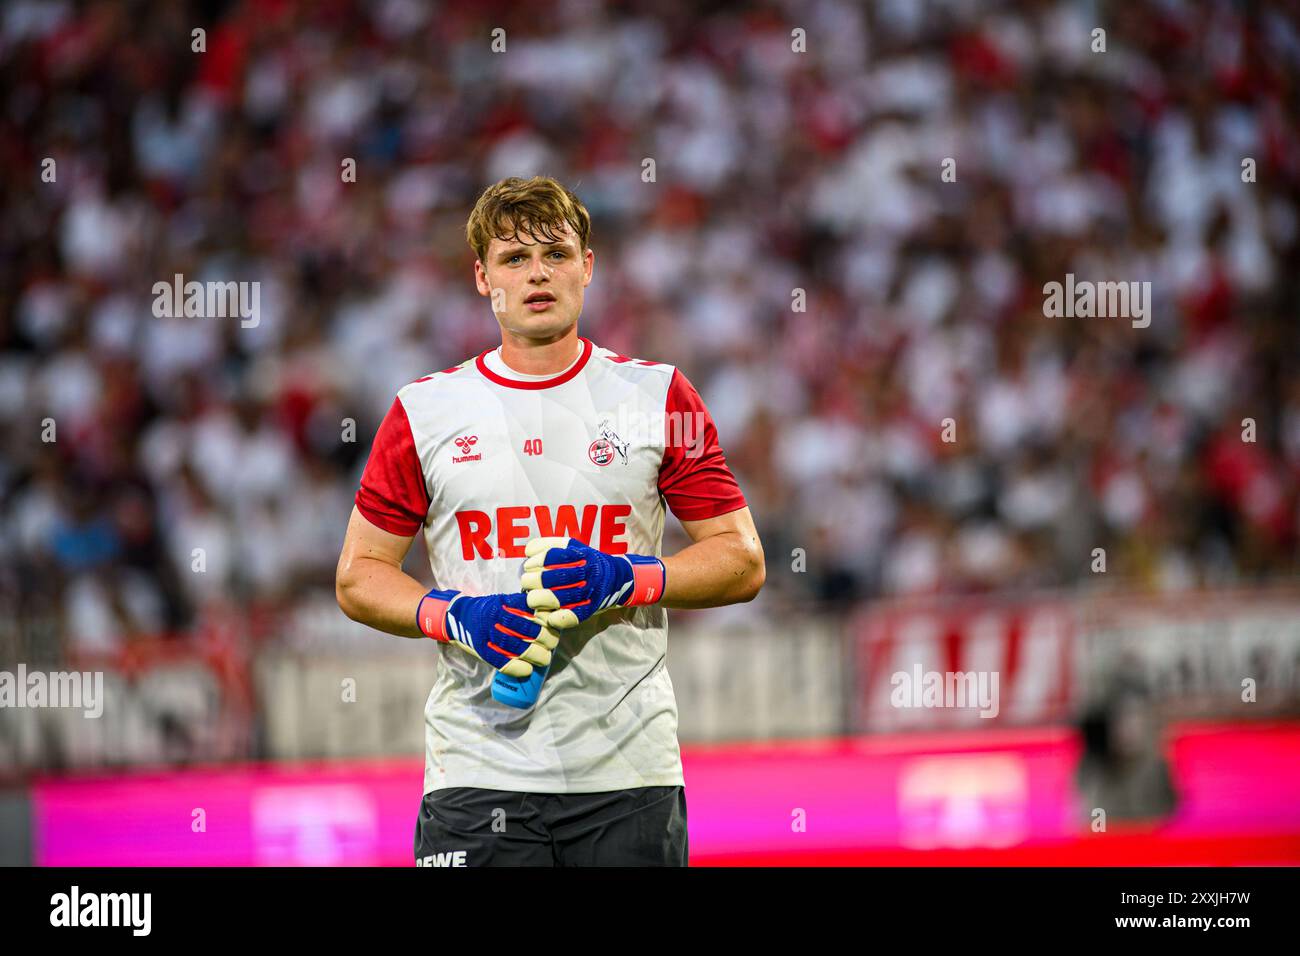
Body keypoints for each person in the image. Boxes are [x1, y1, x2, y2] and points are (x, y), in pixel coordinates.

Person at [335, 175, 765, 866]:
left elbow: (742, 561)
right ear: (483, 278)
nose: (537, 273)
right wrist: (456, 615)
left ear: (587, 267)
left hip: (629, 772)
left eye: (556, 254)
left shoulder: (657, 395)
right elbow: (358, 576)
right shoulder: (424, 410)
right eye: (514, 258)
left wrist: (626, 577)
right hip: (476, 771)